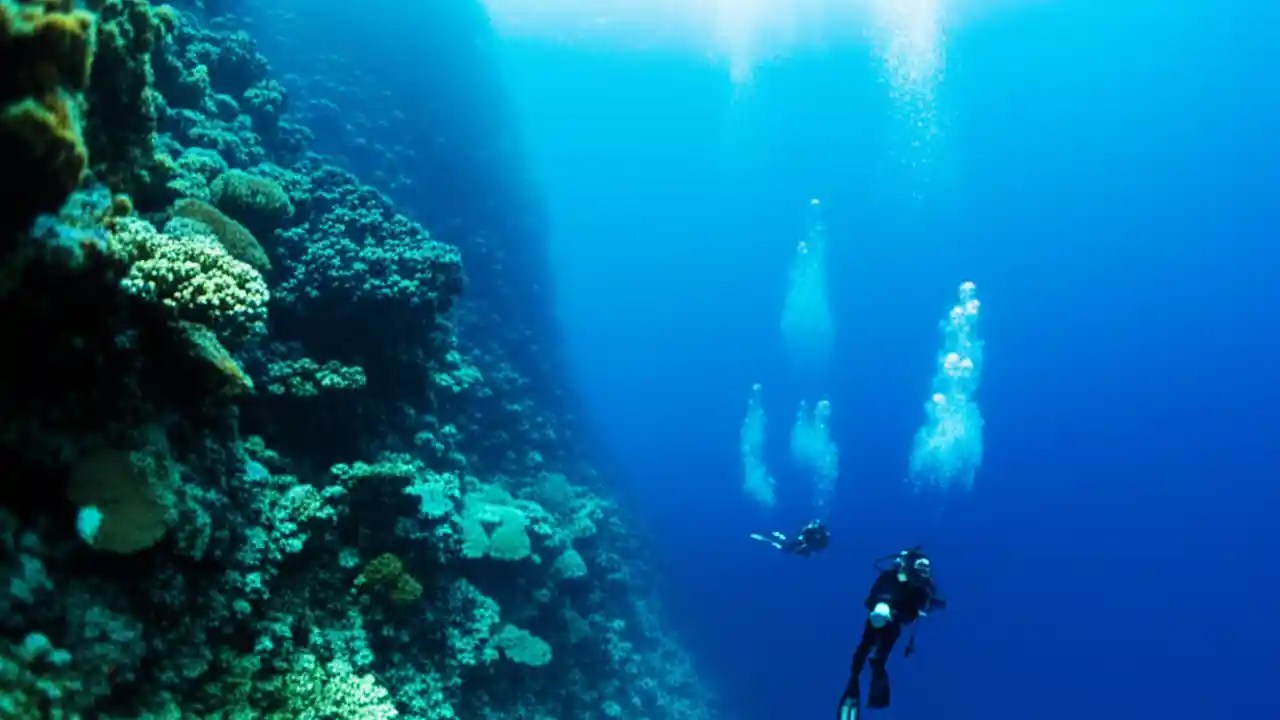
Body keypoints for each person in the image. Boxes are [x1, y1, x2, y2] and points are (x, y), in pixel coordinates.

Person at [837, 546, 945, 719]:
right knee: (868, 648)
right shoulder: (892, 579)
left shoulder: (923, 587)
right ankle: (854, 684)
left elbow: (926, 603)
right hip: (885, 618)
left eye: (925, 570)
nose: (922, 573)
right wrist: (883, 607)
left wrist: (938, 604)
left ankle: (863, 686)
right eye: (920, 568)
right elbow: (880, 595)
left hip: (895, 623)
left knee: (876, 654)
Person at [749, 519, 830, 557]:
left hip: (807, 546)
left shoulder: (821, 538)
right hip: (805, 544)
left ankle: (778, 539)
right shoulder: (811, 530)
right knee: (787, 546)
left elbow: (815, 546)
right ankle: (779, 538)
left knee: (786, 547)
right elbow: (802, 534)